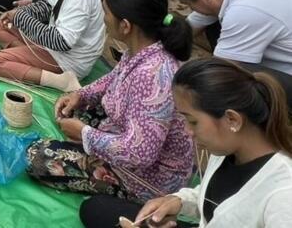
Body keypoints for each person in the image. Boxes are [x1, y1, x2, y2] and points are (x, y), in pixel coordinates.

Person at [26, 0, 195, 203]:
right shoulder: (144, 48)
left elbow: (140, 154)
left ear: (125, 26)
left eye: (107, 13)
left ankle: (123, 192)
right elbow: (114, 78)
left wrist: (85, 134)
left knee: (37, 157)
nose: (104, 18)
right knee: (78, 111)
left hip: (149, 180)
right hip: (132, 136)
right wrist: (80, 95)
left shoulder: (153, 75)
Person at [80, 58, 292, 228]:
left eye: (193, 121)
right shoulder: (227, 149)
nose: (188, 132)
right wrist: (179, 201)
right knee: (95, 209)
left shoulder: (283, 196)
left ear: (232, 120)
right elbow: (213, 197)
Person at [164, 0, 292, 106]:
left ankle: (264, 121)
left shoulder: (244, 11)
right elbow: (187, 29)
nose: (191, 9)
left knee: (232, 76)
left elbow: (219, 71)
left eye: (188, 4)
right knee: (212, 23)